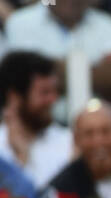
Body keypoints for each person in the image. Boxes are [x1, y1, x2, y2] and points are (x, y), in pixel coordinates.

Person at [0, 50, 72, 190]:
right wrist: (21, 158)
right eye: (44, 92)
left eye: (54, 91)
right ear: (14, 97)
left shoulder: (68, 141)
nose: (53, 99)